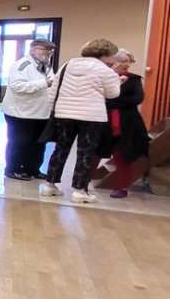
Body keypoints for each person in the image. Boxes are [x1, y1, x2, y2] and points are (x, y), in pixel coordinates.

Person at [40, 38, 122, 203]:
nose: (112, 59)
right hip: (92, 116)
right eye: (111, 56)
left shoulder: (68, 65)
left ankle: (50, 185)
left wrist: (53, 110)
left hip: (64, 114)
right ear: (105, 54)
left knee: (60, 149)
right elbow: (113, 94)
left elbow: (53, 90)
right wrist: (118, 81)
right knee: (85, 152)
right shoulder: (104, 70)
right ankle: (79, 190)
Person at [1, 39, 56, 180]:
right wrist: (44, 83)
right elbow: (17, 86)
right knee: (19, 143)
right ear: (33, 50)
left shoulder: (46, 65)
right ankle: (13, 169)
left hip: (41, 113)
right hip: (21, 113)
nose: (48, 53)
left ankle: (32, 169)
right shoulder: (22, 65)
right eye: (44, 49)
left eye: (50, 50)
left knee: (39, 144)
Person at [104, 49, 151, 199]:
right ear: (113, 61)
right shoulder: (104, 77)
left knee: (123, 156)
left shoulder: (134, 79)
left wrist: (111, 101)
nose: (127, 64)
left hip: (127, 124)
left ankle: (122, 186)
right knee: (94, 154)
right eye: (123, 61)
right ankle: (82, 184)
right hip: (103, 121)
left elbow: (137, 99)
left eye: (129, 61)